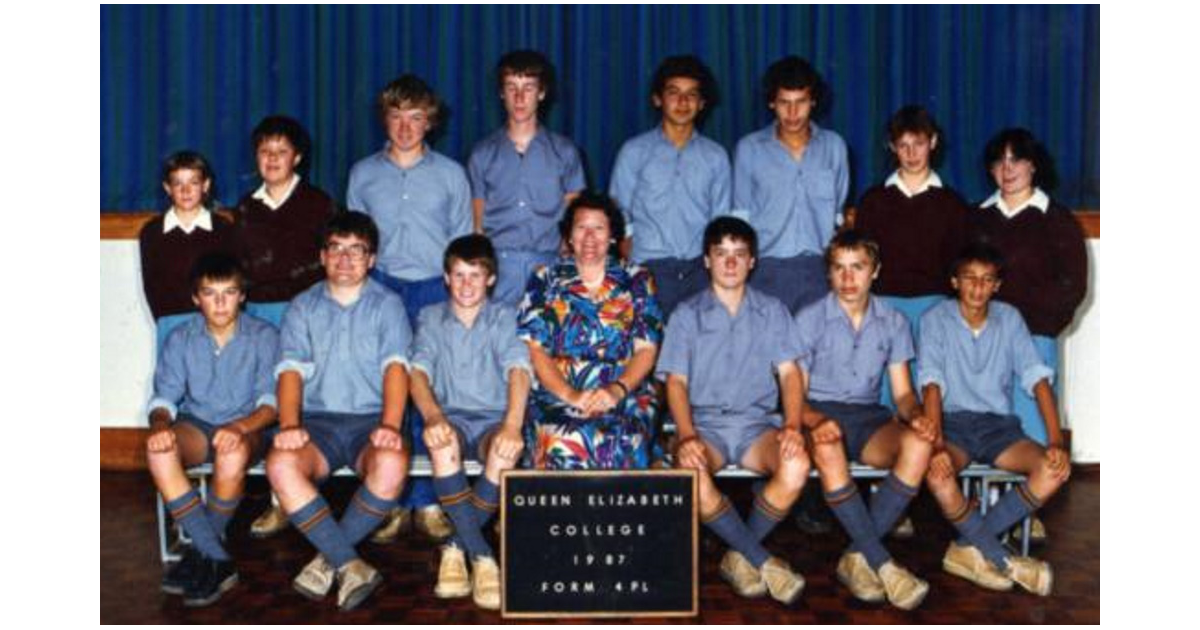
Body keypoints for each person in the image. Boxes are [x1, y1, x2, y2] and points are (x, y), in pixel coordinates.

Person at [265, 212, 413, 611]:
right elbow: (290, 371)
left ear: (372, 259)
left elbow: (396, 368)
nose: (345, 259)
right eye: (336, 249)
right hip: (318, 423)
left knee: (392, 464)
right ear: (322, 256)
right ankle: (350, 563)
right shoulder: (302, 306)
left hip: (370, 421)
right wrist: (291, 424)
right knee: (280, 464)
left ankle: (328, 558)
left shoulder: (389, 305)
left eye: (356, 250)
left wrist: (390, 424)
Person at [657, 216, 808, 605]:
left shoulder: (773, 311)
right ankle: (762, 558)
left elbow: (790, 374)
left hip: (757, 426)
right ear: (706, 260)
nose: (730, 263)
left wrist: (792, 426)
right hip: (704, 427)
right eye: (721, 254)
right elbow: (675, 382)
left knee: (795, 465)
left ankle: (738, 554)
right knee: (691, 471)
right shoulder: (686, 314)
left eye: (739, 254)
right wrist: (687, 435)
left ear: (752, 262)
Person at [346, 74, 470, 542]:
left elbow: (461, 242)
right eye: (397, 116)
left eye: (415, 117)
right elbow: (355, 242)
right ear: (386, 119)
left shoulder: (452, 174)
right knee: (389, 393)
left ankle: (430, 499)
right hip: (381, 289)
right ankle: (389, 499)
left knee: (429, 392)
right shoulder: (362, 173)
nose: (405, 126)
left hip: (433, 291)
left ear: (430, 122)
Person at [792, 231, 935, 610]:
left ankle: (857, 556)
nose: (848, 278)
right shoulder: (809, 319)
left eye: (858, 268)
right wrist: (816, 420)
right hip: (819, 414)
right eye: (839, 269)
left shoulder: (893, 320)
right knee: (828, 446)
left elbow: (903, 395)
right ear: (829, 274)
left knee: (920, 444)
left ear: (875, 272)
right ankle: (883, 564)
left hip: (869, 417)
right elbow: (795, 398)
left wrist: (918, 417)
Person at [918, 243, 1070, 596]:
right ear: (954, 281)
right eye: (969, 278)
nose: (977, 288)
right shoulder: (935, 319)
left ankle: (965, 546)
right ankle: (1002, 558)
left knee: (1054, 469)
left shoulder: (1010, 317)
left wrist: (1056, 441)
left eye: (987, 280)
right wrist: (937, 444)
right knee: (936, 473)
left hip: (999, 428)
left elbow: (1038, 381)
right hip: (953, 424)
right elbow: (931, 386)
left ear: (997, 286)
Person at [146, 253, 279, 607]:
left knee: (231, 452)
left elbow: (271, 403)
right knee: (159, 449)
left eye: (229, 292)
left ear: (242, 295)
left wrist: (240, 427)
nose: (220, 302)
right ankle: (217, 558)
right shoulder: (181, 337)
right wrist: (160, 424)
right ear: (195, 298)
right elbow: (164, 399)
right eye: (210, 293)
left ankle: (202, 554)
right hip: (199, 425)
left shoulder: (264, 336)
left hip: (249, 426)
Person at [232, 114, 340, 539]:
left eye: (281, 151)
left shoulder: (318, 203)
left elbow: (325, 263)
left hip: (308, 313)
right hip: (260, 313)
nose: (273, 158)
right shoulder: (246, 207)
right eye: (265, 151)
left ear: (297, 157)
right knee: (269, 398)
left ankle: (307, 488)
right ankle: (278, 500)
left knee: (305, 398)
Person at [411, 235, 532, 610]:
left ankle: (454, 548)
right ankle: (482, 557)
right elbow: (417, 373)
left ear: (491, 279)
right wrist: (432, 416)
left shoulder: (507, 316)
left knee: (503, 449)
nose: (466, 284)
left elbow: (519, 371)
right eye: (459, 275)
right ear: (446, 278)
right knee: (440, 443)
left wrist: (512, 426)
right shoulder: (430, 316)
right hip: (451, 418)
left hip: (494, 418)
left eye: (475, 276)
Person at [517, 192, 662, 469]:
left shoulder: (638, 280)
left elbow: (646, 350)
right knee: (558, 438)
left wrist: (616, 391)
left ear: (612, 235)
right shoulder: (544, 278)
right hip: (557, 392)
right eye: (581, 227)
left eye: (599, 228)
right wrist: (571, 396)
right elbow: (535, 351)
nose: (590, 237)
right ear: (569, 235)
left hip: (625, 391)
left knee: (625, 437)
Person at [970, 128, 1088, 447]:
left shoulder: (1057, 219)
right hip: (985, 340)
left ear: (1033, 165)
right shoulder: (977, 218)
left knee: (1035, 433)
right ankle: (989, 497)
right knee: (986, 431)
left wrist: (1041, 327)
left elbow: (1073, 285)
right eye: (999, 162)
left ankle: (1032, 497)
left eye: (1016, 160)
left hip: (1035, 338)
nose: (1007, 170)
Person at [609, 54, 731, 318]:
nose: (683, 102)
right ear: (657, 99)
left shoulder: (716, 156)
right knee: (648, 353)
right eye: (674, 93)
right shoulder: (635, 152)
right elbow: (617, 211)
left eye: (691, 95)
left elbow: (721, 219)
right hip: (649, 268)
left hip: (699, 272)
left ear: (702, 103)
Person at [732, 55, 848, 315]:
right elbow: (741, 217)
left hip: (820, 271)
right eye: (784, 103)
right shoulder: (749, 149)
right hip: (765, 270)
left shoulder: (834, 147)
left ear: (813, 101)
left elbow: (837, 214)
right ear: (772, 103)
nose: (793, 113)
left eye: (801, 102)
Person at [469, 49, 586, 305]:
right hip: (498, 269)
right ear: (501, 93)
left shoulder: (565, 152)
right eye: (511, 87)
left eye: (529, 88)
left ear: (542, 93)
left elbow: (574, 219)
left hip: (549, 265)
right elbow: (477, 225)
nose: (519, 97)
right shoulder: (482, 153)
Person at [854, 105, 969, 339]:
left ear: (933, 142)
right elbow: (862, 260)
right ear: (893, 147)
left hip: (936, 307)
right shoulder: (873, 200)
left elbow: (960, 263)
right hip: (884, 306)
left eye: (919, 144)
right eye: (903, 146)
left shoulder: (953, 203)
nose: (911, 153)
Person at [139, 150, 235, 348]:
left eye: (193, 182)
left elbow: (232, 280)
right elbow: (151, 285)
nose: (186, 190)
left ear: (205, 185)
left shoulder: (223, 228)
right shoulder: (152, 233)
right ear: (167, 188)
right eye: (178, 183)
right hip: (171, 322)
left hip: (216, 323)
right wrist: (167, 321)